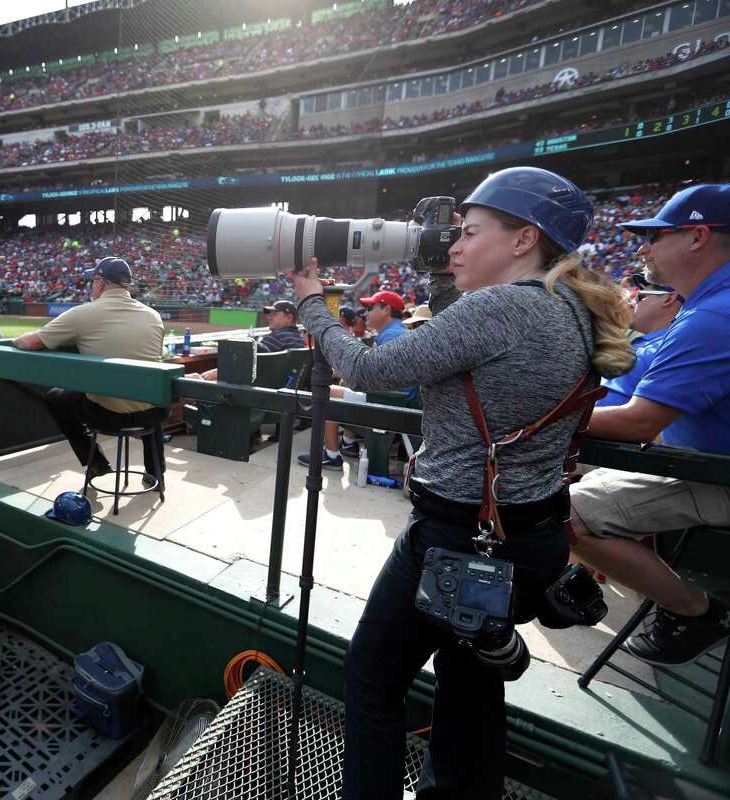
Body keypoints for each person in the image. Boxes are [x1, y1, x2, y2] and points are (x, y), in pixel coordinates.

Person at [288, 166, 634, 799]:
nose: (452, 245)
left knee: (371, 683)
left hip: (458, 538)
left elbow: (369, 365)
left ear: (525, 238)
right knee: (470, 691)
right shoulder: (576, 310)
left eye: (470, 232)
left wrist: (313, 300)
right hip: (532, 539)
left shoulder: (501, 306)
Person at [569, 183, 730, 666]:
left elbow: (639, 421)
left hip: (717, 474)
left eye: (655, 236)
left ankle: (695, 614)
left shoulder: (714, 315)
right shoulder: (711, 305)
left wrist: (538, 417)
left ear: (698, 236)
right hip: (701, 463)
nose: (643, 247)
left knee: (562, 510)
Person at [12, 256, 167, 483]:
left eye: (92, 281)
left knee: (56, 397)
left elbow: (29, 343)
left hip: (110, 416)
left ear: (101, 283)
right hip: (155, 412)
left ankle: (95, 462)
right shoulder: (153, 315)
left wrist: (17, 339)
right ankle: (156, 474)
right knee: (149, 396)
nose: (91, 286)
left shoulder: (84, 313)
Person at [298, 290, 410, 469]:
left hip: (390, 404)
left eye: (370, 307)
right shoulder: (396, 331)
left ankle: (332, 455)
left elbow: (377, 379)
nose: (365, 313)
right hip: (394, 400)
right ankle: (348, 441)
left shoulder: (392, 336)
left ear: (386, 310)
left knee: (331, 392)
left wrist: (342, 373)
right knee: (345, 385)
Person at [595, 273, 682, 408]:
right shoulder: (660, 345)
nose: (633, 301)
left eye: (641, 296)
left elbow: (602, 409)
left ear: (668, 298)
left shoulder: (659, 350)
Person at [199, 299, 305, 381]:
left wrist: (222, 371)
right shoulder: (297, 338)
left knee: (195, 377)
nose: (269, 317)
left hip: (255, 390)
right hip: (274, 389)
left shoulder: (278, 337)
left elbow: (257, 365)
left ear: (289, 318)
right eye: (269, 314)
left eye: (275, 314)